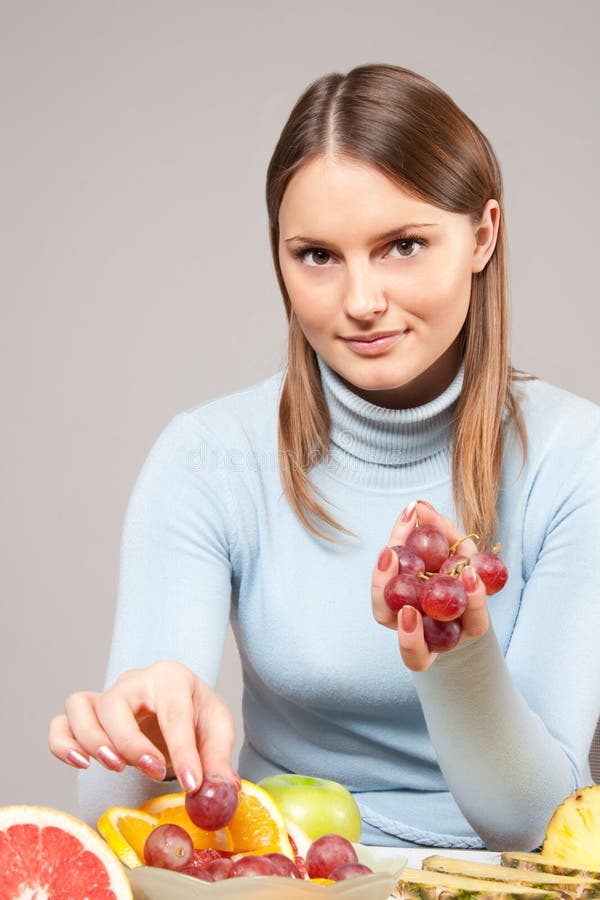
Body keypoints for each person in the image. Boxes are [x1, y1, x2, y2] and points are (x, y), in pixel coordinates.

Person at [48, 63, 600, 851]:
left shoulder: (576, 460)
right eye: (317, 256)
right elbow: (121, 827)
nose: (361, 300)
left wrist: (455, 649)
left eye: (403, 245)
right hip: (291, 876)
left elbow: (535, 821)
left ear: (481, 236)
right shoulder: (208, 458)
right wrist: (141, 733)